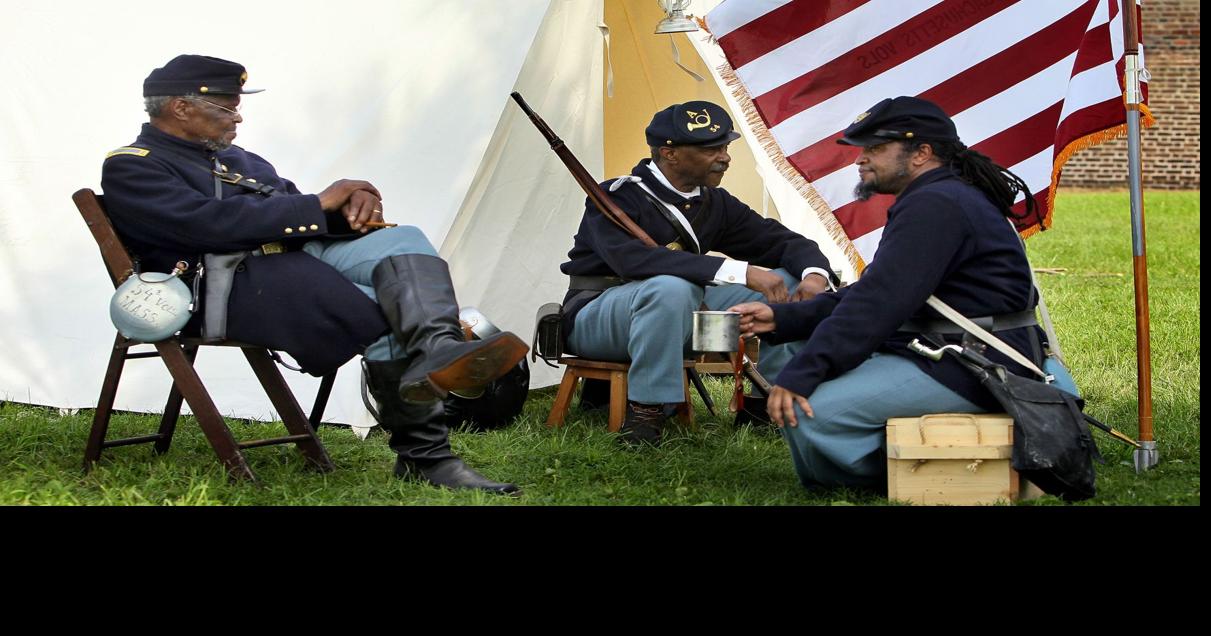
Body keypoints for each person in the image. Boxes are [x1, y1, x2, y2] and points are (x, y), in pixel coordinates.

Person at [100, 55, 527, 495]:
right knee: (388, 308)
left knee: (403, 240)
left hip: (288, 268)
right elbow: (205, 224)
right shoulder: (133, 165)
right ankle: (428, 458)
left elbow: (295, 214)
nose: (238, 116)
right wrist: (320, 201)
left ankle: (439, 348)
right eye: (227, 108)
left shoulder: (241, 159)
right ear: (180, 108)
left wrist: (352, 208)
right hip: (220, 289)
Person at [730, 96, 1079, 491]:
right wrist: (783, 318)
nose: (861, 159)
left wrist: (799, 377)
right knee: (801, 350)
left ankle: (888, 483)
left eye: (876, 148)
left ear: (921, 153)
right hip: (950, 347)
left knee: (810, 414)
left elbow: (878, 304)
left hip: (976, 362)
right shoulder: (940, 195)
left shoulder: (936, 204)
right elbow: (877, 291)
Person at [557, 100, 835, 445]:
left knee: (788, 283)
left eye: (725, 146)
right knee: (671, 288)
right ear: (669, 153)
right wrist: (738, 271)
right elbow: (632, 263)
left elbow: (783, 243)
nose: (725, 157)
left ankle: (766, 403)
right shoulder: (616, 197)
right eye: (711, 149)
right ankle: (647, 411)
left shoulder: (715, 202)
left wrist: (815, 277)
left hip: (683, 317)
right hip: (599, 319)